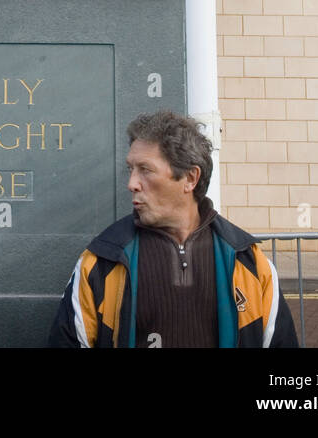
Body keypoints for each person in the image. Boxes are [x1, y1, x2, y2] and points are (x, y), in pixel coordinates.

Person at [49, 109, 298, 348]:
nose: (132, 183)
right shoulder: (102, 262)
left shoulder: (248, 262)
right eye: (131, 169)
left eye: (145, 170)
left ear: (190, 178)